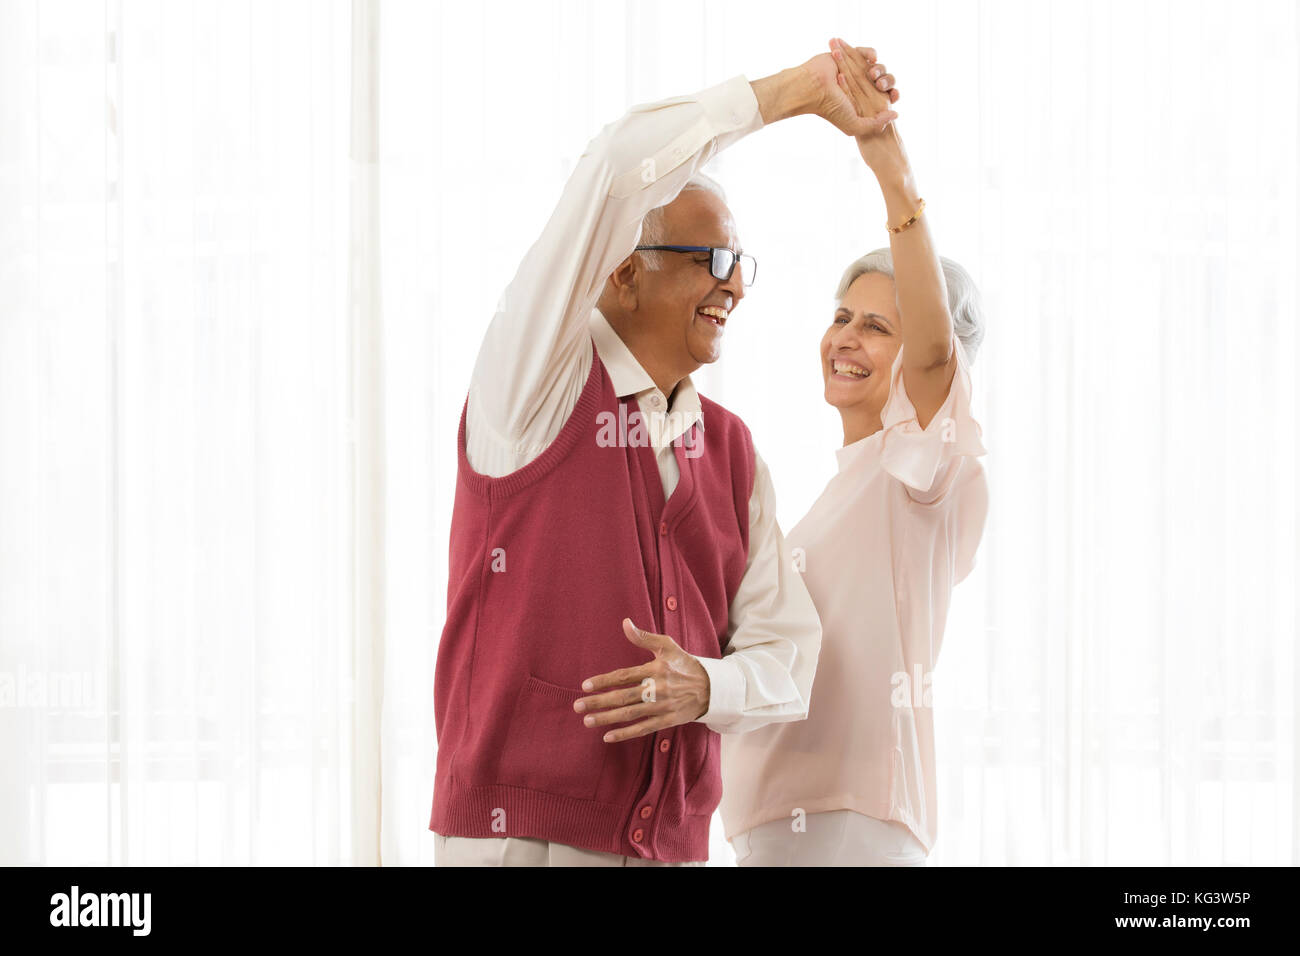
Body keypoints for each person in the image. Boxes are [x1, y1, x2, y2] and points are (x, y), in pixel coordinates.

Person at [430, 44, 902, 866]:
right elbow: (616, 167)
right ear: (622, 273)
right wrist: (792, 94)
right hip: (522, 840)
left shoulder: (732, 448)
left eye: (741, 265)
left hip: (670, 849)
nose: (737, 287)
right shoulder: (533, 386)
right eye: (712, 261)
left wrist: (706, 686)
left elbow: (787, 653)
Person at [719, 39, 989, 866]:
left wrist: (887, 166)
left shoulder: (924, 476)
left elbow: (937, 353)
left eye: (878, 324)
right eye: (842, 316)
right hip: (768, 821)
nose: (845, 338)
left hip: (855, 821)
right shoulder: (829, 497)